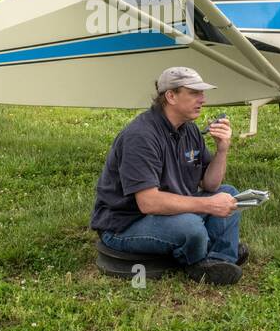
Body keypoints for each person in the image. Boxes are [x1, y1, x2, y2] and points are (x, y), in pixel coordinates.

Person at [90, 66, 249, 285]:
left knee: (229, 193)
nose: (202, 99)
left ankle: (218, 260)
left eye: (202, 93)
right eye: (194, 93)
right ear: (171, 96)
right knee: (190, 227)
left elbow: (210, 185)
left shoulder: (189, 129)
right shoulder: (141, 136)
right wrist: (208, 206)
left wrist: (222, 149)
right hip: (126, 224)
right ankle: (203, 256)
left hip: (169, 214)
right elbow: (148, 203)